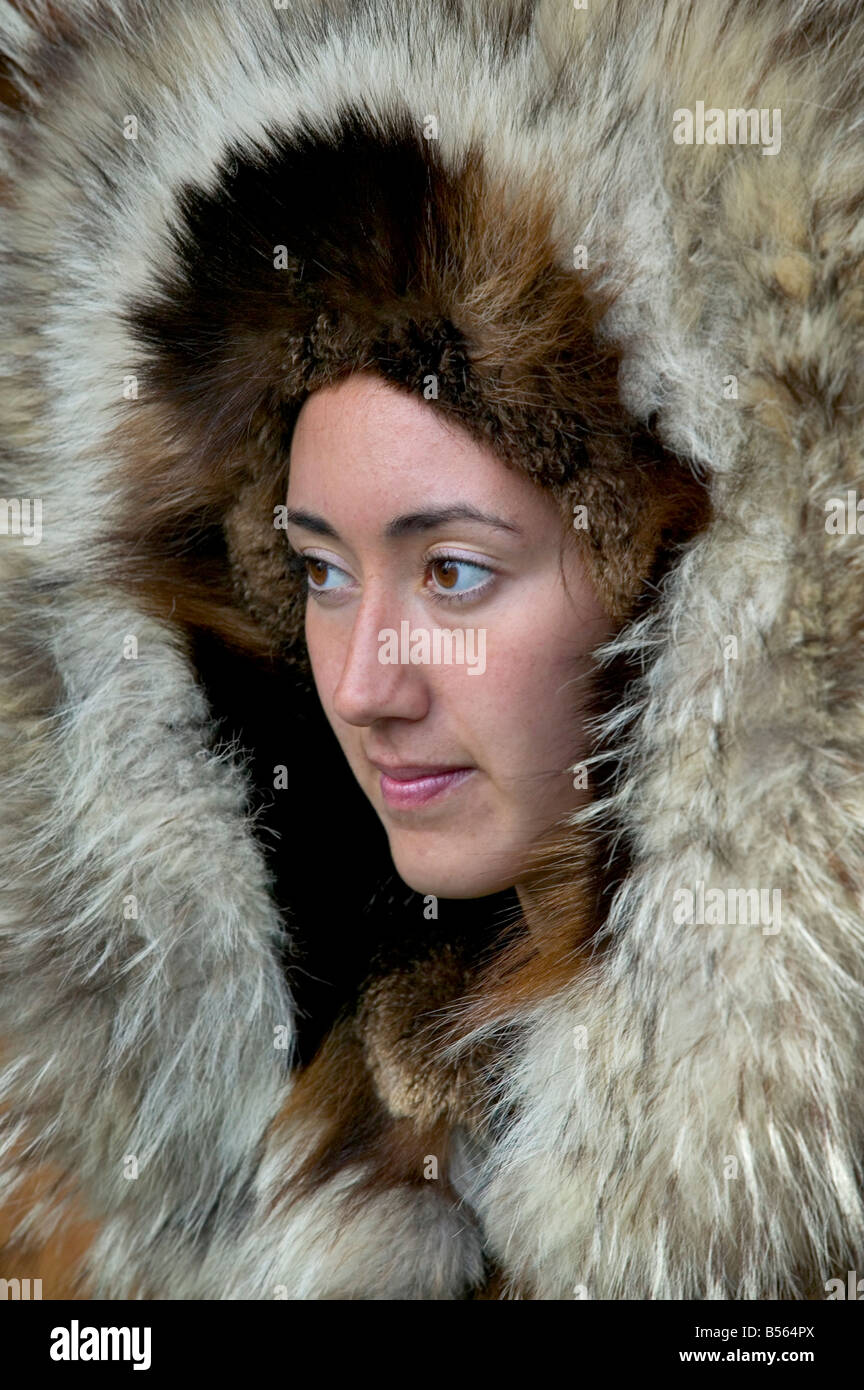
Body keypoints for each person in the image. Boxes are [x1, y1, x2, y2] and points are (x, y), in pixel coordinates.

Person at [1, 0, 863, 1302]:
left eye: (453, 570)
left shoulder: (801, 1233)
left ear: (689, 597)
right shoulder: (122, 1230)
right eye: (320, 574)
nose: (360, 683)